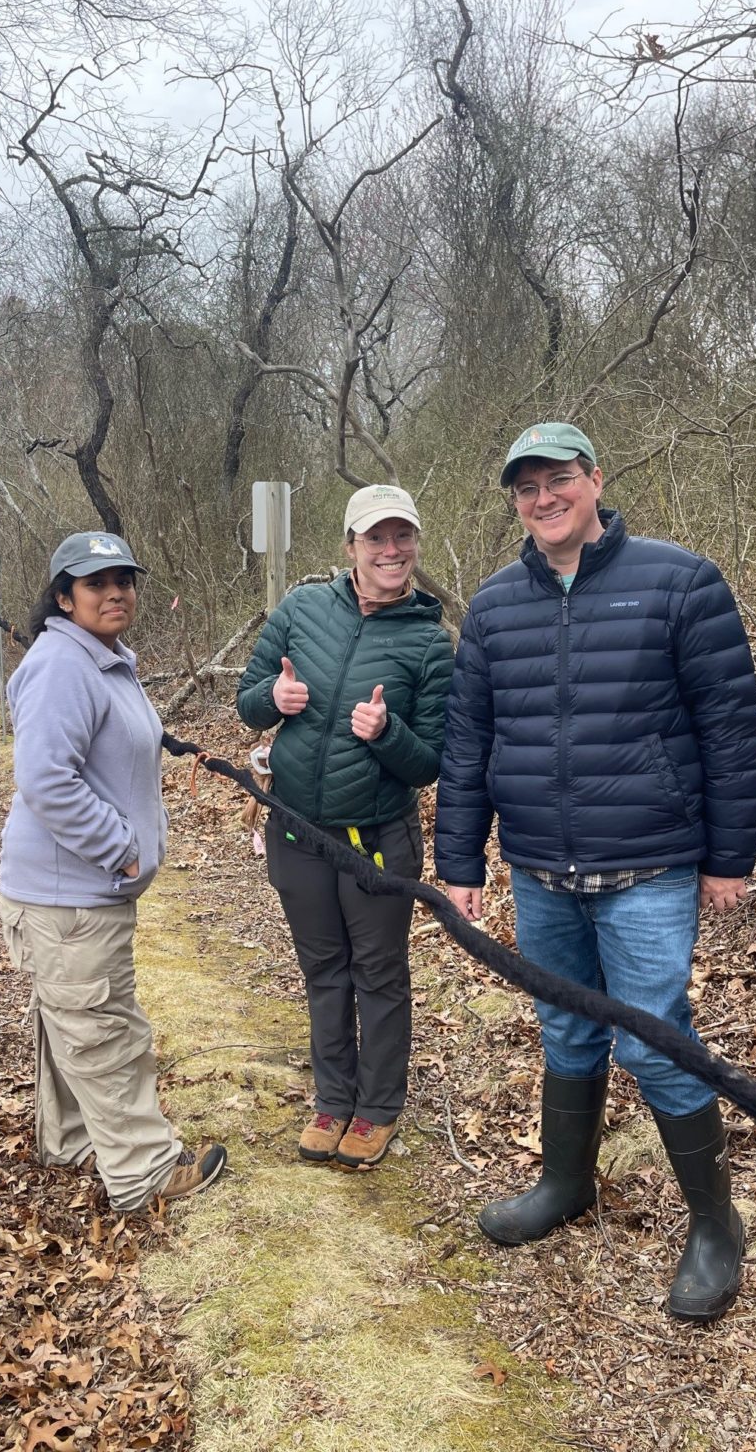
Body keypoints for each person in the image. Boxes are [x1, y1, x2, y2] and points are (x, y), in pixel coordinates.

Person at [434, 425, 756, 1321]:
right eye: (527, 487)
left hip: (648, 867)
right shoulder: (496, 606)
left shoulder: (679, 582)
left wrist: (730, 855)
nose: (545, 498)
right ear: (515, 502)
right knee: (566, 1031)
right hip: (540, 870)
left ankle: (714, 1228)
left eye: (559, 480)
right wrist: (459, 861)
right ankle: (565, 1184)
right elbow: (469, 747)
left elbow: (731, 730)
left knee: (656, 1037)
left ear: (595, 481)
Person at [0, 531, 226, 1212]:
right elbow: (44, 776)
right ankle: (145, 1174)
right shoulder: (62, 665)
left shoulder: (103, 659)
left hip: (75, 893)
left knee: (75, 1017)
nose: (115, 592)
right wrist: (118, 847)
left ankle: (69, 1140)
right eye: (96, 583)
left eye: (124, 579)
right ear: (64, 597)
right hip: (70, 891)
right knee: (105, 1031)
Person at [237, 486, 454, 1171]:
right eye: (376, 539)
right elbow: (246, 701)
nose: (391, 551)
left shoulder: (429, 642)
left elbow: (433, 763)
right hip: (298, 833)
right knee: (324, 970)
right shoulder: (301, 610)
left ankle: (378, 1109)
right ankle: (333, 1100)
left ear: (414, 545)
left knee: (379, 975)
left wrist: (387, 733)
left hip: (377, 842)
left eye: (402, 538)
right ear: (350, 547)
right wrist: (272, 698)